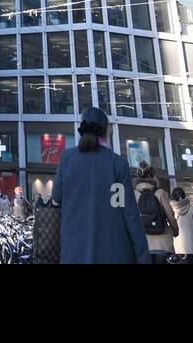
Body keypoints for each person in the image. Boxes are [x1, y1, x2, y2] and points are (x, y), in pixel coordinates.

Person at [50, 107, 150, 264]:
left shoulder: (67, 159)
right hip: (113, 252)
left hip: (74, 252)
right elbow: (128, 212)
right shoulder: (117, 164)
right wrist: (143, 256)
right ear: (106, 130)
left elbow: (56, 197)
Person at [133, 165, 178, 263]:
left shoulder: (134, 194)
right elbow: (170, 216)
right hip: (162, 240)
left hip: (142, 241)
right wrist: (175, 231)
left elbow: (130, 219)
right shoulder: (161, 193)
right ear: (153, 176)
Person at [170, 187, 193, 263]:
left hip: (177, 243)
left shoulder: (171, 209)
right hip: (191, 243)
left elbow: (170, 223)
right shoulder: (192, 209)